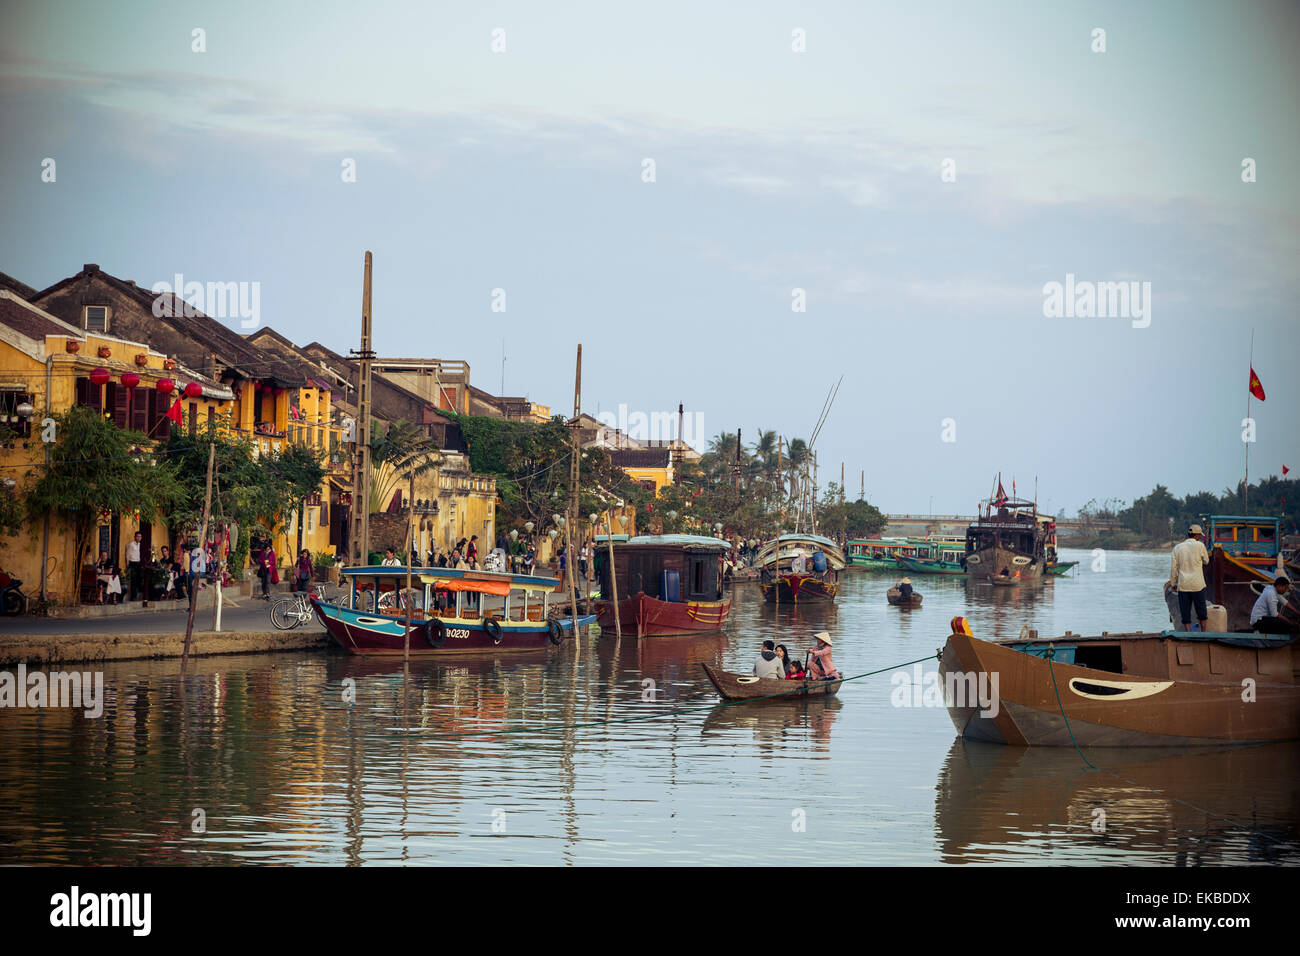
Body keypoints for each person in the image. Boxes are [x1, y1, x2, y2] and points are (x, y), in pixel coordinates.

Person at [1168, 523, 1210, 632]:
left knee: (1185, 611)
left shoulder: (1177, 548)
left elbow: (1173, 569)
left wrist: (1173, 584)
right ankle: (1203, 633)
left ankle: (1187, 632)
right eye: (1200, 535)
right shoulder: (1200, 545)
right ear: (1197, 536)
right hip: (1198, 585)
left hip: (1183, 585)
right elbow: (1206, 561)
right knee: (1201, 611)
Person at [126, 531, 143, 601]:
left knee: (139, 580)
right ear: (135, 537)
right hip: (132, 563)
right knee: (133, 581)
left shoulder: (139, 544)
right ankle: (133, 597)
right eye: (137, 536)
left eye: (140, 537)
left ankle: (138, 595)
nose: (139, 538)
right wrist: (127, 565)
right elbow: (127, 555)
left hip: (138, 563)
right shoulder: (131, 545)